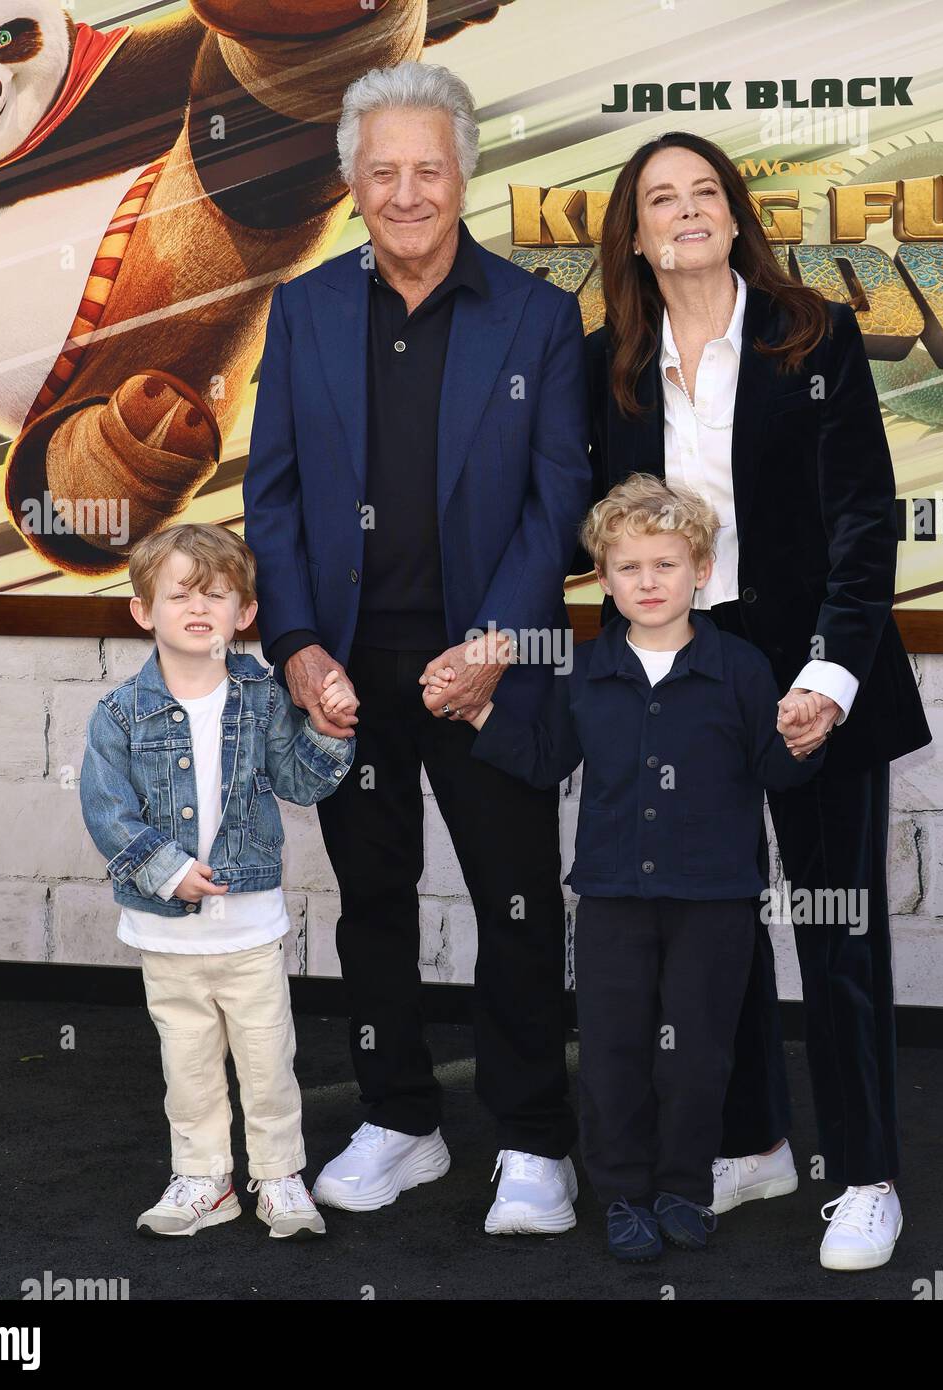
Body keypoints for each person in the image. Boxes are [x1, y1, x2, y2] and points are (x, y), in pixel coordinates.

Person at [242, 61, 590, 1233]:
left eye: (426, 170)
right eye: (381, 170)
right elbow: (275, 496)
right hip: (348, 672)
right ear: (351, 182)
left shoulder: (540, 317)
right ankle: (401, 1121)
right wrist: (295, 645)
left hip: (487, 673)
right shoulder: (304, 309)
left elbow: (558, 505)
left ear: (464, 176)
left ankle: (537, 1141)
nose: (405, 192)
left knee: (519, 906)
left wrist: (495, 644)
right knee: (372, 904)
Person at [582, 131, 932, 1270]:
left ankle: (866, 1175)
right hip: (679, 674)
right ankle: (758, 1141)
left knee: (837, 928)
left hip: (813, 661)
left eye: (703, 194)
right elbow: (587, 524)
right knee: (709, 923)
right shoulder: (608, 363)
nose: (684, 212)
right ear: (633, 232)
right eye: (659, 199)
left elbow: (862, 521)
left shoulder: (813, 336)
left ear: (735, 215)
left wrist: (828, 678)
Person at [428, 474, 823, 1261]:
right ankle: (622, 1193)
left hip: (715, 902)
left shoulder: (742, 669)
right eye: (630, 567)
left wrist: (806, 737)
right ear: (603, 580)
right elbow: (544, 763)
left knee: (699, 1054)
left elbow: (774, 770)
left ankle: (682, 1187)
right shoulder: (583, 670)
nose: (648, 582)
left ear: (702, 570)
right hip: (611, 900)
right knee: (611, 1054)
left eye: (666, 565)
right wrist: (480, 714)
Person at [79, 523, 356, 1239]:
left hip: (250, 931)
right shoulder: (119, 714)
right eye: (179, 595)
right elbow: (108, 812)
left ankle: (279, 1176)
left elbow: (300, 782)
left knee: (269, 1062)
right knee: (190, 1067)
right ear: (144, 611)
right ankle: (204, 1178)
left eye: (217, 594)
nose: (198, 608)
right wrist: (166, 872)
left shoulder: (263, 699)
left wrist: (329, 729)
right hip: (165, 935)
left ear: (246, 612)